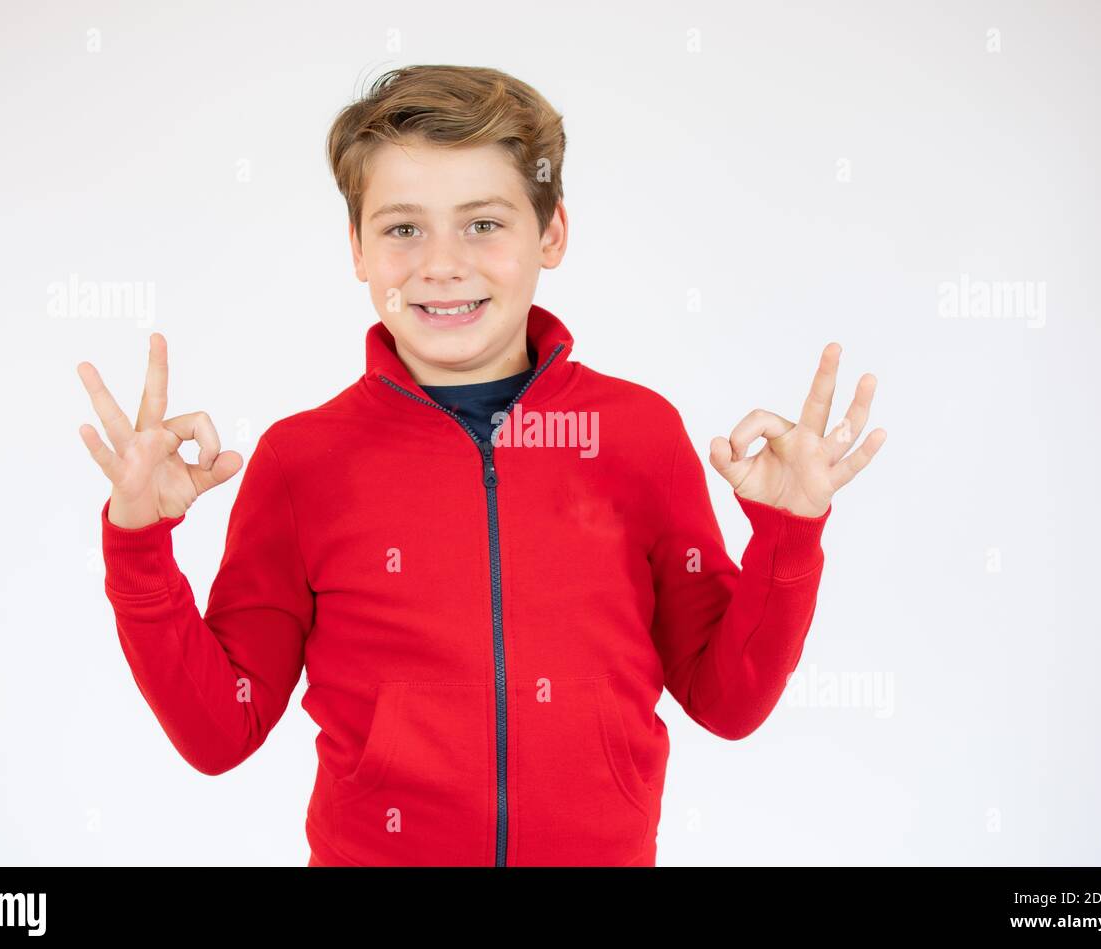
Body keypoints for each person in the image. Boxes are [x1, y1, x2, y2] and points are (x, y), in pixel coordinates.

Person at [75, 64, 886, 867]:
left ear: (552, 233)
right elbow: (220, 734)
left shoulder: (637, 434)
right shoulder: (303, 461)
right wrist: (139, 544)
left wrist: (791, 533)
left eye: (483, 224)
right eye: (402, 229)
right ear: (357, 248)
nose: (441, 264)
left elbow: (729, 700)